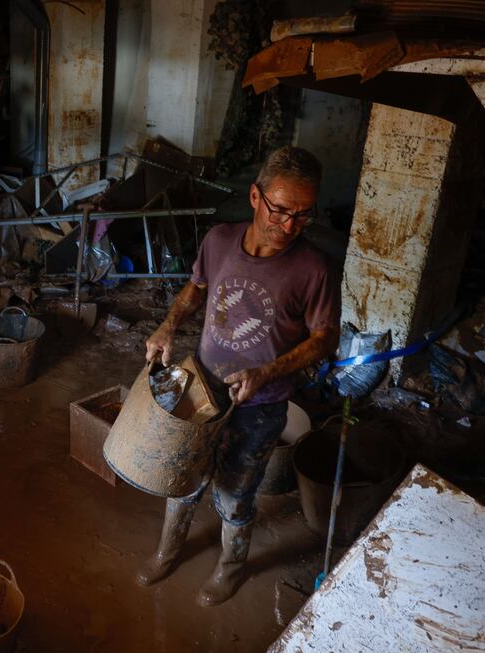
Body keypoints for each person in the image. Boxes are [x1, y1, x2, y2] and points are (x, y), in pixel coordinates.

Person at [139, 146, 340, 606]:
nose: (288, 226)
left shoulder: (313, 268)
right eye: (280, 209)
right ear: (255, 196)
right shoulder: (219, 240)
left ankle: (230, 568)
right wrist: (169, 325)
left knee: (236, 492)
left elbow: (325, 338)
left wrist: (267, 372)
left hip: (260, 404)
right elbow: (197, 286)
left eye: (303, 215)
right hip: (202, 386)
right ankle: (167, 551)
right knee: (183, 474)